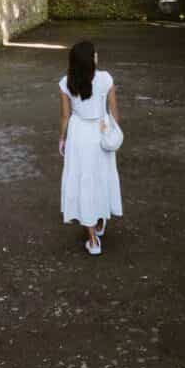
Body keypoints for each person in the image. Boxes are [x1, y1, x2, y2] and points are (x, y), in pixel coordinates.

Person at [58, 39, 122, 255]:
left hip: (78, 135)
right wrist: (114, 133)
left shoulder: (66, 82)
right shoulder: (105, 79)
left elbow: (65, 116)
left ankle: (93, 240)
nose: (97, 56)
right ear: (91, 58)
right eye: (94, 53)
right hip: (100, 132)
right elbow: (114, 112)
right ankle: (101, 222)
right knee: (101, 176)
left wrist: (62, 139)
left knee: (82, 179)